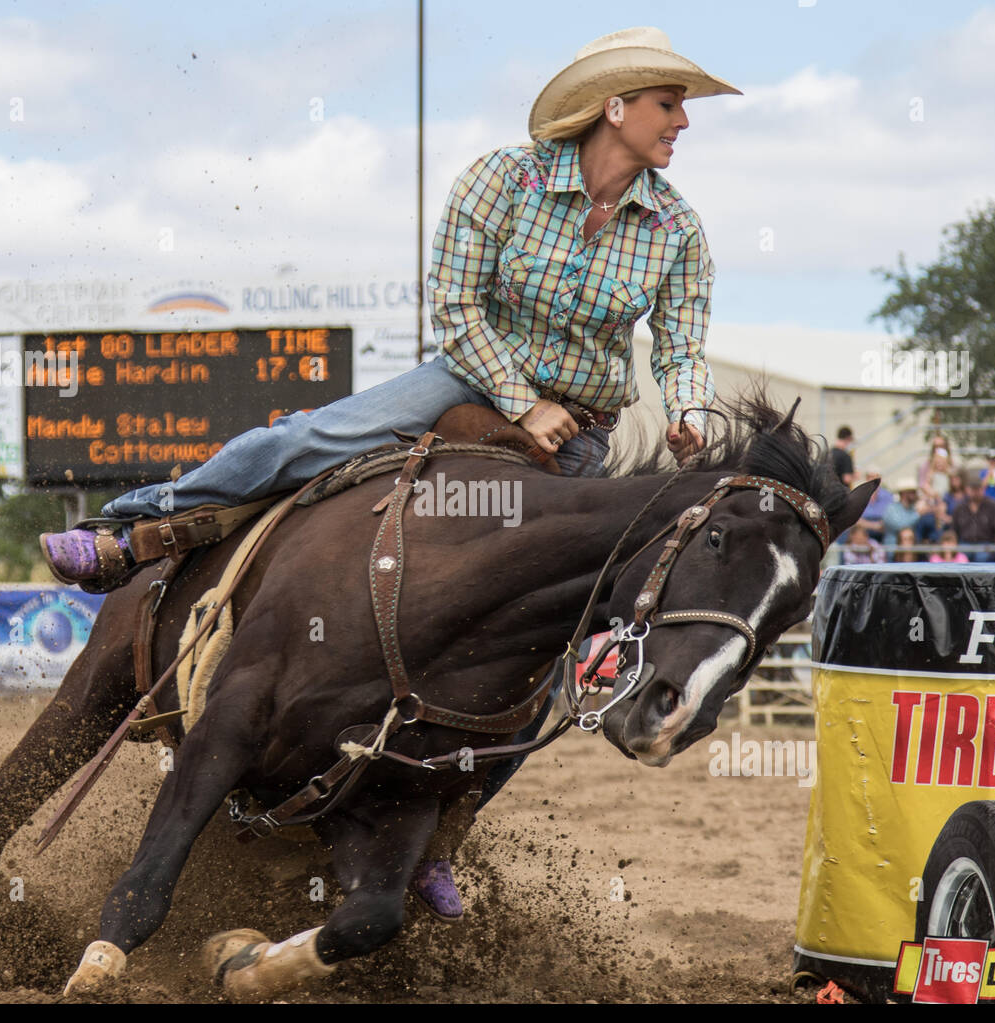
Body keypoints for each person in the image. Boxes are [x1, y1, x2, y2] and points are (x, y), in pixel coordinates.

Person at [38, 26, 742, 920]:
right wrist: (524, 400)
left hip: (584, 432)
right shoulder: (504, 179)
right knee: (293, 446)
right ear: (616, 107)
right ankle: (129, 530)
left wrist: (688, 411)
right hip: (472, 378)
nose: (683, 122)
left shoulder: (677, 228)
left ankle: (437, 831)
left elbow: (683, 343)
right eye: (669, 103)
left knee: (551, 648)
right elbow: (455, 305)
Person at [952, 479, 995, 563]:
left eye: (978, 489)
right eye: (973, 489)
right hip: (964, 543)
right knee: (961, 558)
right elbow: (953, 529)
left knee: (982, 559)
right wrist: (955, 546)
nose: (976, 492)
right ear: (967, 490)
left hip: (986, 543)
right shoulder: (960, 507)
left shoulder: (993, 507)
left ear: (983, 489)